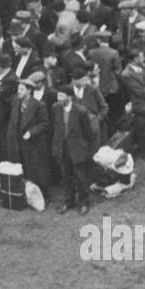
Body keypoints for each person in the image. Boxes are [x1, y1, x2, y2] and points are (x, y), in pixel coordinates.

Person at [51, 85, 95, 214]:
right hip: (62, 148)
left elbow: (88, 134)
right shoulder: (56, 108)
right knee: (66, 176)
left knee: (80, 176)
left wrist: (83, 148)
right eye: (58, 95)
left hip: (77, 149)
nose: (58, 98)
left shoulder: (81, 111)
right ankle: (68, 201)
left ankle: (84, 202)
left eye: (61, 96)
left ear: (69, 97)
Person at [7, 76, 52, 200]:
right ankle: (27, 195)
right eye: (18, 89)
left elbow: (45, 123)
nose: (18, 91)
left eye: (21, 89)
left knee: (38, 171)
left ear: (29, 91)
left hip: (33, 144)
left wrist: (31, 132)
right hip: (19, 143)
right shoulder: (15, 102)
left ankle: (44, 195)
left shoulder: (38, 105)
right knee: (23, 169)